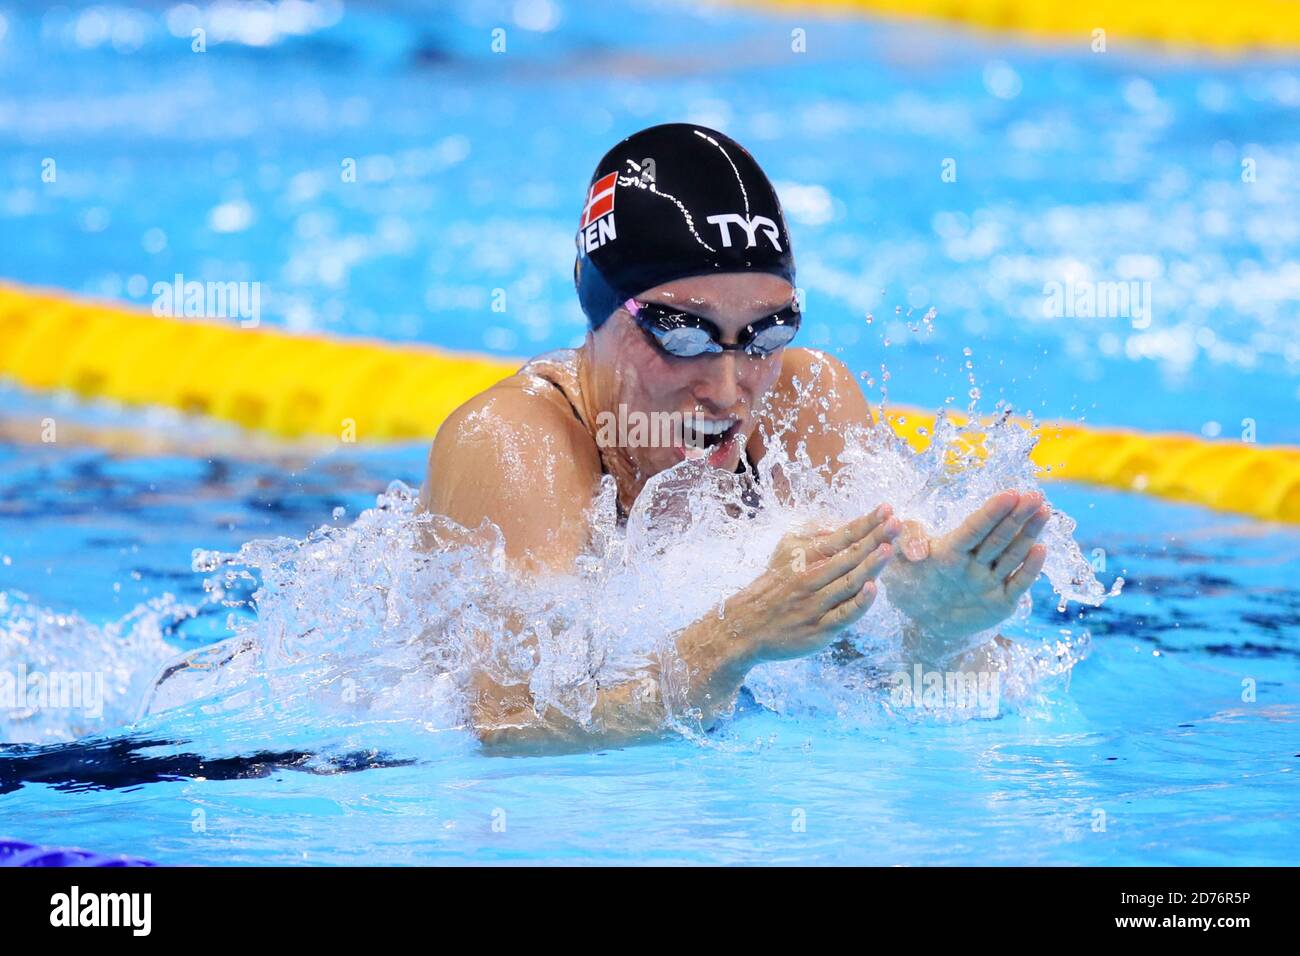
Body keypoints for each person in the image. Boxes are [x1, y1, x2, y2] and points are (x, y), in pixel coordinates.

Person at [419, 123, 1049, 754]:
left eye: (764, 337)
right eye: (684, 336)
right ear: (599, 310)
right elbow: (508, 730)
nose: (727, 392)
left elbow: (924, 704)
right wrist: (735, 639)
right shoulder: (515, 443)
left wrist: (940, 634)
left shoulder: (804, 404)